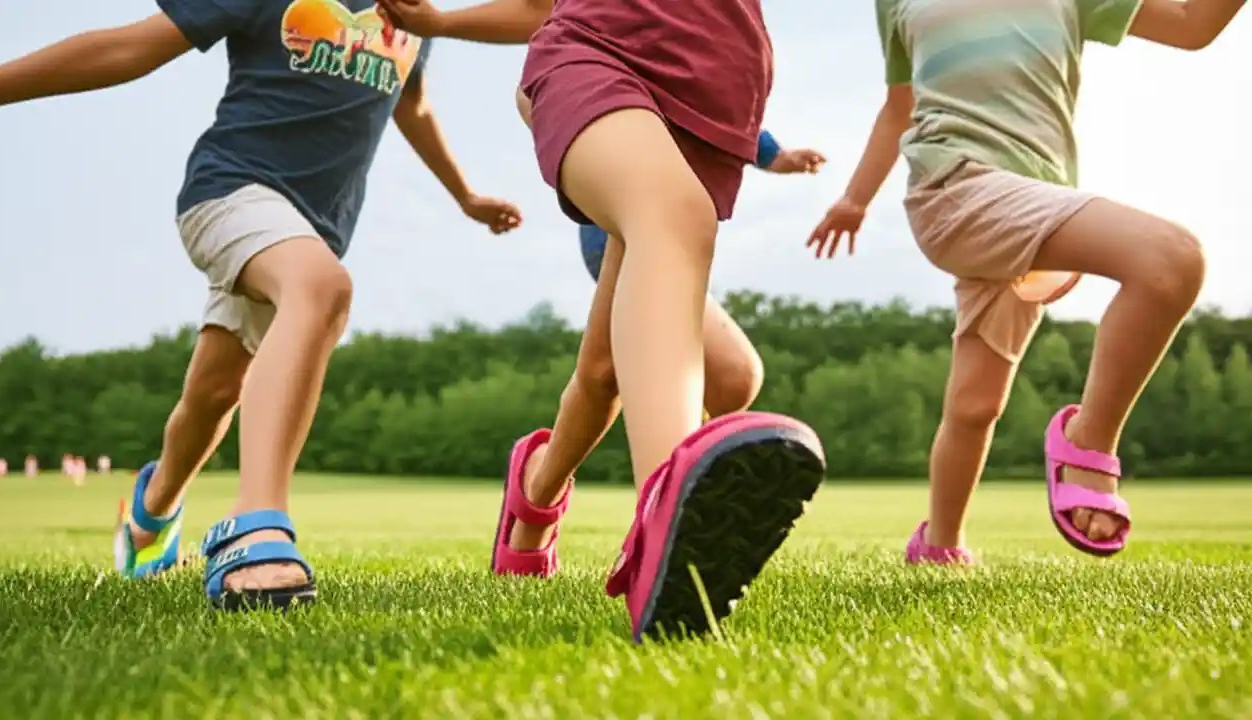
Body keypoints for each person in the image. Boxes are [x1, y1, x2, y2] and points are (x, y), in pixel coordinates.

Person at [0, 0, 521, 610]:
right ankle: (255, 526)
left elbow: (411, 104)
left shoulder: (412, 14)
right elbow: (130, 47)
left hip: (307, 230)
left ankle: (151, 511)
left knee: (211, 396)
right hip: (230, 193)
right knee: (324, 289)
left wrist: (465, 194)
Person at [380, 0, 828, 643]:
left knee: (614, 374)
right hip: (599, 56)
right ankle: (665, 530)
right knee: (675, 222)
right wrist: (440, 23)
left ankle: (533, 496)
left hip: (707, 99)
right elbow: (542, 8)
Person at [809, 0, 1244, 564]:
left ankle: (939, 548)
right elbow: (900, 107)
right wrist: (854, 199)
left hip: (1032, 199)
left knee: (976, 404)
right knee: (1171, 260)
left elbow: (1192, 26)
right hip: (953, 188)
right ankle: (1087, 445)